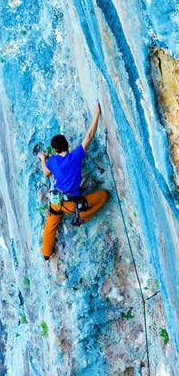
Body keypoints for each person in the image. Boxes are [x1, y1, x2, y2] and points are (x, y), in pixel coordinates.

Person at [38, 102, 109, 260]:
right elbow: (89, 136)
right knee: (103, 195)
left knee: (50, 226)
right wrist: (96, 113)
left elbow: (45, 173)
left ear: (55, 150)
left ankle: (46, 253)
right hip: (73, 204)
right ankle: (85, 215)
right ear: (67, 146)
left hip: (56, 201)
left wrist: (43, 158)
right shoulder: (76, 156)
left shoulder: (53, 162)